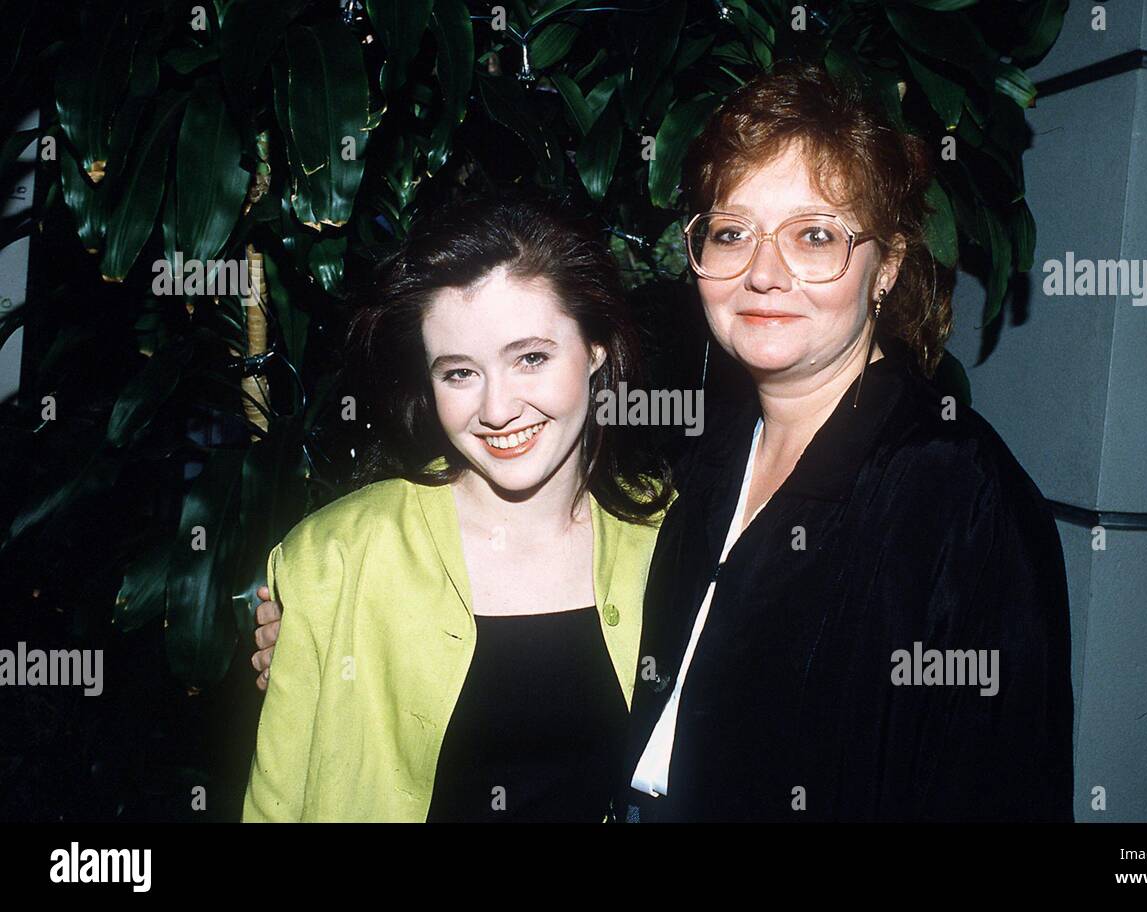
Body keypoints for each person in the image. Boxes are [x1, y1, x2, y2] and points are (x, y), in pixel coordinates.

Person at [251, 61, 1075, 823]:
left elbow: (998, 786)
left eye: (815, 236)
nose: (765, 272)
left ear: (887, 266)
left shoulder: (957, 496)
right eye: (732, 232)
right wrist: (330, 622)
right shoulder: (699, 473)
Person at [242, 197, 670, 822]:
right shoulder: (335, 557)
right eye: (460, 373)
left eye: (531, 358)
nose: (497, 409)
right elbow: (275, 805)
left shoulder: (674, 538)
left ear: (596, 349)